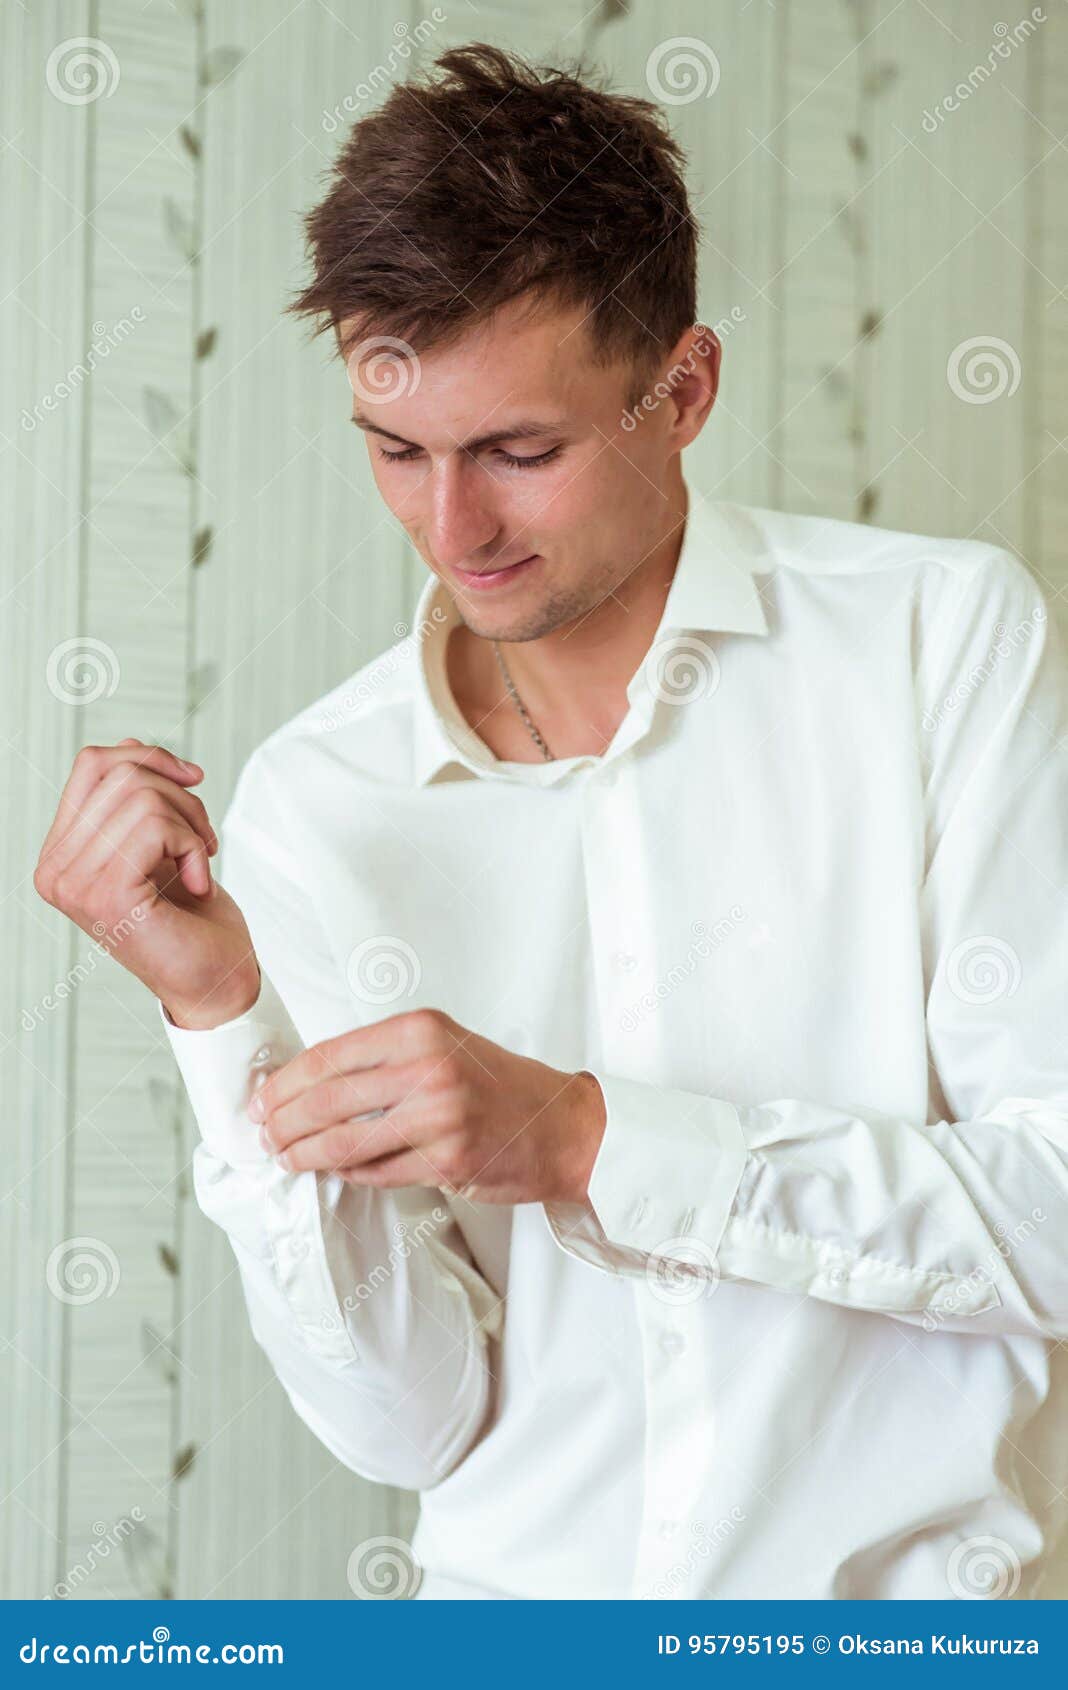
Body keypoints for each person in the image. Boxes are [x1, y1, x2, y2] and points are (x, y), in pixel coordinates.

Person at [34, 43, 1068, 1601]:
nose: (453, 530)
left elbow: (1049, 1219)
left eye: (520, 451)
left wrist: (590, 1138)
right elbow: (411, 1419)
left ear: (685, 388)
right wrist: (219, 1016)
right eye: (398, 451)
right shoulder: (318, 805)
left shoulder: (940, 644)